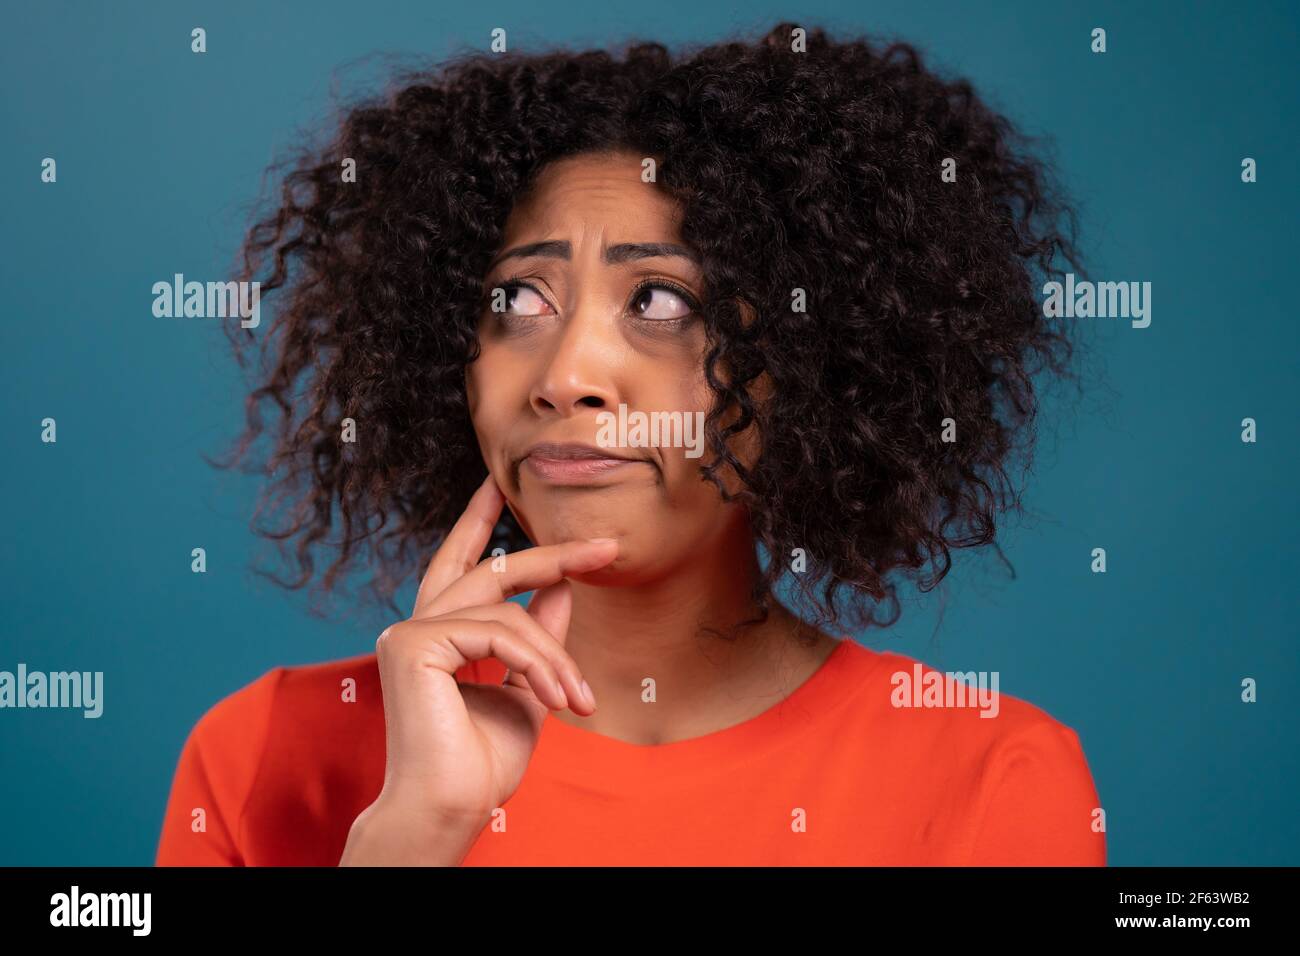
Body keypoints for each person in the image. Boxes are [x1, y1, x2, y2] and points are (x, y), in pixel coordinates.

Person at [156, 22, 1105, 866]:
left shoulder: (990, 776)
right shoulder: (267, 752)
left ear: (811, 369)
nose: (566, 375)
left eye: (660, 301)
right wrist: (413, 836)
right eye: (518, 301)